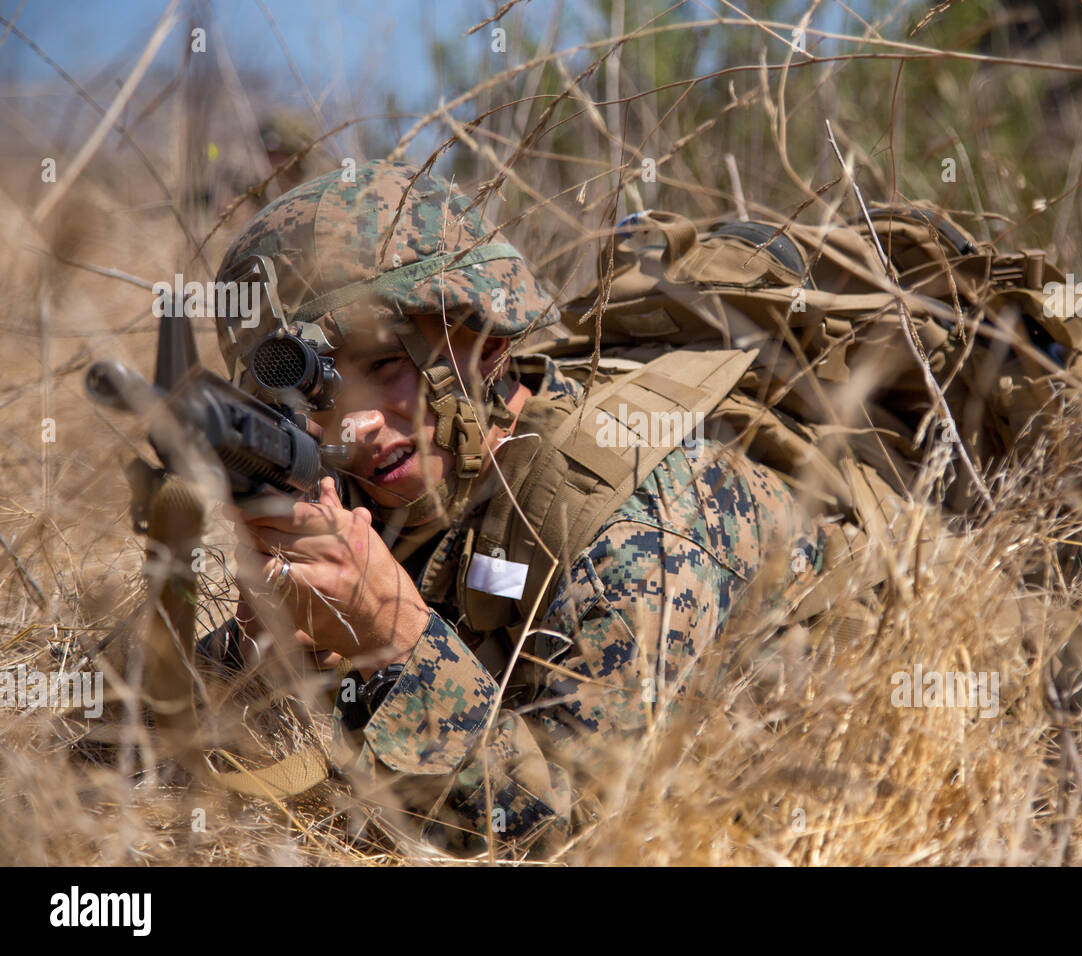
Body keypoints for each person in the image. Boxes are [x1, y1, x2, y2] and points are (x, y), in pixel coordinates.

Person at [201, 159, 827, 856]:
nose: (358, 425)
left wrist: (395, 642)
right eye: (315, 396)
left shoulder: (630, 529)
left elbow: (593, 840)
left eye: (384, 368)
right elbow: (100, 756)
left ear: (486, 338)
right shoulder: (372, 490)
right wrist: (250, 657)